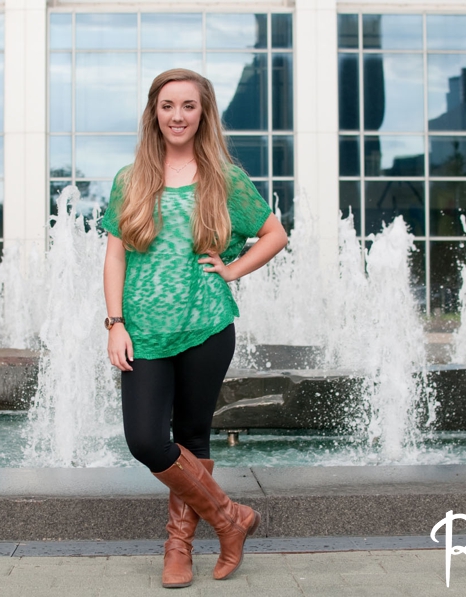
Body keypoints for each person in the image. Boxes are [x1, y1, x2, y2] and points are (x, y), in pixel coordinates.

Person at [101, 68, 288, 589]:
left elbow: (275, 234)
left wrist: (232, 270)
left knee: (191, 435)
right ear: (154, 113)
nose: (177, 115)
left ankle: (178, 547)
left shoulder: (224, 178)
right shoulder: (130, 179)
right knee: (145, 440)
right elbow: (115, 256)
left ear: (203, 114)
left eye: (188, 106)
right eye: (167, 106)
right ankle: (231, 519)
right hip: (142, 332)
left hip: (206, 325)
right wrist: (115, 323)